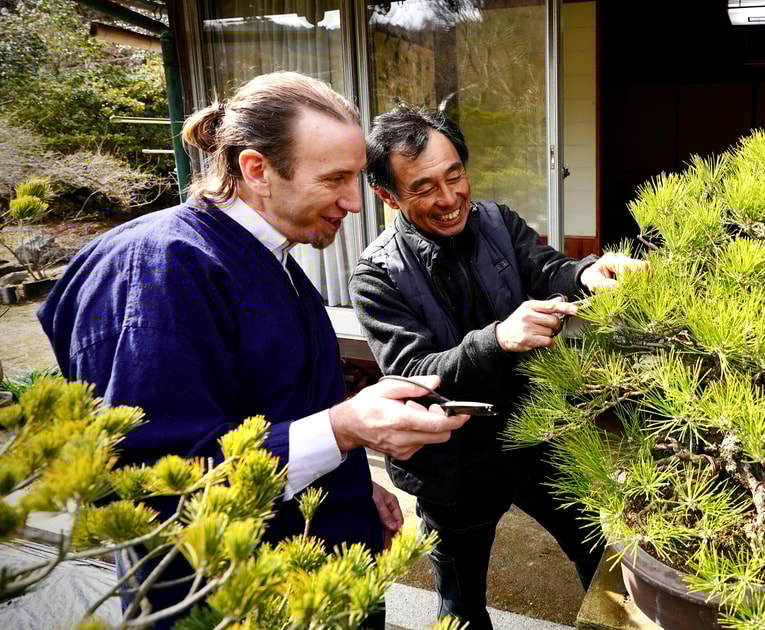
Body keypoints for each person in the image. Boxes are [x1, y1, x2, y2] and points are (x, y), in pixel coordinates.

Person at [38, 72, 469, 628]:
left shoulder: (272, 256)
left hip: (322, 568)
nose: (354, 203)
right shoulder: (162, 266)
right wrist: (343, 429)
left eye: (357, 178)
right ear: (256, 169)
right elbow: (156, 481)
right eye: (335, 179)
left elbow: (278, 405)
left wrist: (354, 483)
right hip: (236, 599)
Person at [350, 106, 646, 629]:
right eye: (423, 188)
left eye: (455, 176)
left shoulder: (497, 223)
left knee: (599, 559)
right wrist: (499, 340)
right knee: (461, 606)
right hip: (451, 466)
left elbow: (548, 269)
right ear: (387, 195)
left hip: (536, 438)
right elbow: (412, 372)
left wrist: (588, 272)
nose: (448, 199)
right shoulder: (378, 274)